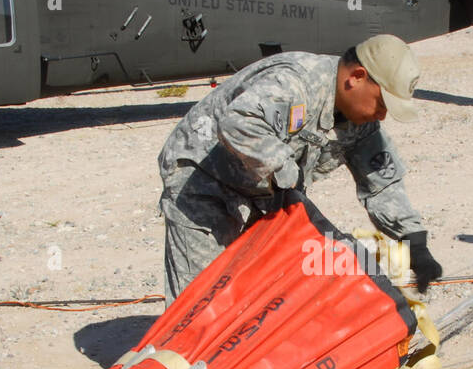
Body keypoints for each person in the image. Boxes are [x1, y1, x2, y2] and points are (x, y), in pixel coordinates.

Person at [157, 35, 443, 301]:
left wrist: (413, 241)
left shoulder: (361, 121)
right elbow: (240, 123)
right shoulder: (296, 82)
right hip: (202, 179)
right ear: (357, 77)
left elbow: (382, 180)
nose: (382, 115)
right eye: (381, 103)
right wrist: (286, 174)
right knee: (203, 301)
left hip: (264, 193)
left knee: (268, 292)